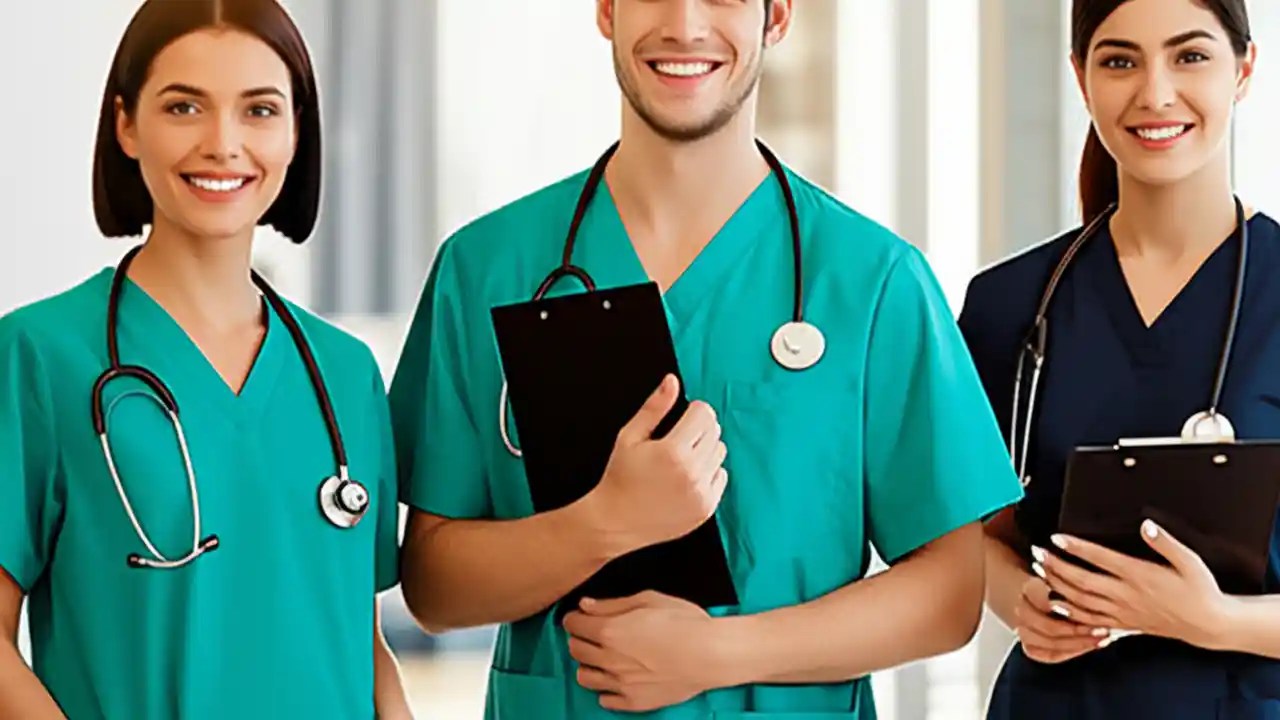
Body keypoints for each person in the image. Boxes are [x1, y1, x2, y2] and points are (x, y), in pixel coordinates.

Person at [389, 0, 1023, 717]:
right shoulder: (487, 268)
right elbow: (434, 588)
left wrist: (719, 653)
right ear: (607, 10)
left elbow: (950, 594)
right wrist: (605, 522)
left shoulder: (872, 281)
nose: (684, 25)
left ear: (776, 15)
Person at [0, 1, 410, 718]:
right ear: (126, 125)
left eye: (259, 110)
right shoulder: (41, 355)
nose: (224, 144)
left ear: (295, 132)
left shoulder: (344, 374)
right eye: (184, 106)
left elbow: (351, 628)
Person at [959, 0, 1280, 717]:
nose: (1154, 92)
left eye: (1190, 56)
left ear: (1244, 69)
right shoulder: (1010, 304)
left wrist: (1215, 621)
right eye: (1119, 61)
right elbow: (965, 533)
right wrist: (1019, 600)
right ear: (1081, 77)